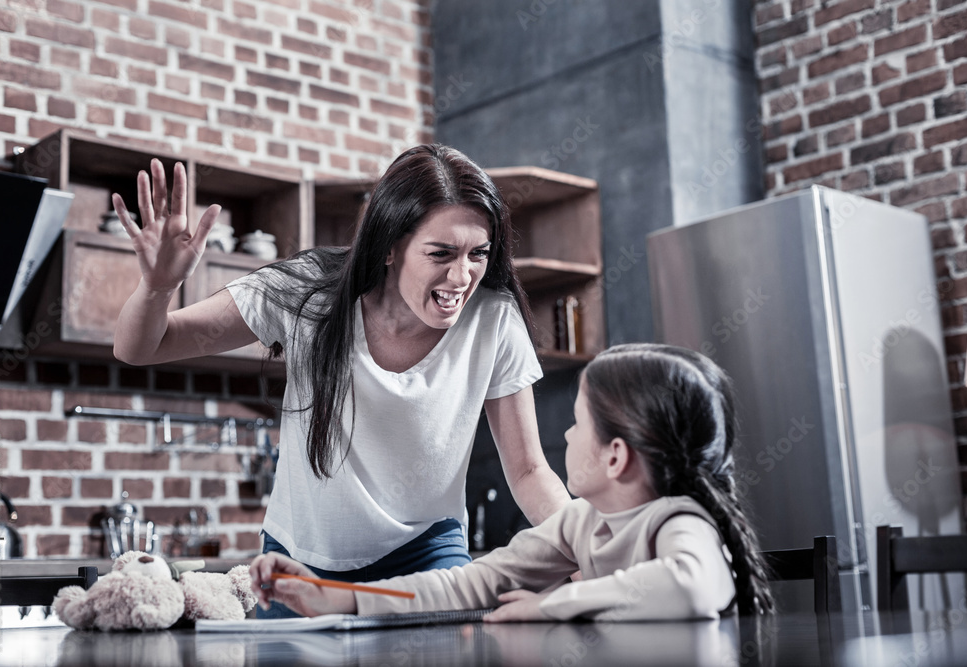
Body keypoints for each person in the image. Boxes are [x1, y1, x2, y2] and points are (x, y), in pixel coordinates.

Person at [111, 145, 571, 618]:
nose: (462, 276)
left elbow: (529, 471)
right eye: (441, 253)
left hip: (427, 561)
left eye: (479, 254)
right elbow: (142, 346)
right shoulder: (305, 291)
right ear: (390, 245)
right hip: (297, 568)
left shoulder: (493, 318)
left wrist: (583, 545)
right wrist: (158, 286)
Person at [250, 343, 776, 621]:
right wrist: (338, 596)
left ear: (616, 456)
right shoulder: (580, 523)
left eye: (578, 422)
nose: (566, 435)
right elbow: (465, 584)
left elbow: (693, 587)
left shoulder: (678, 519)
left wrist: (551, 606)